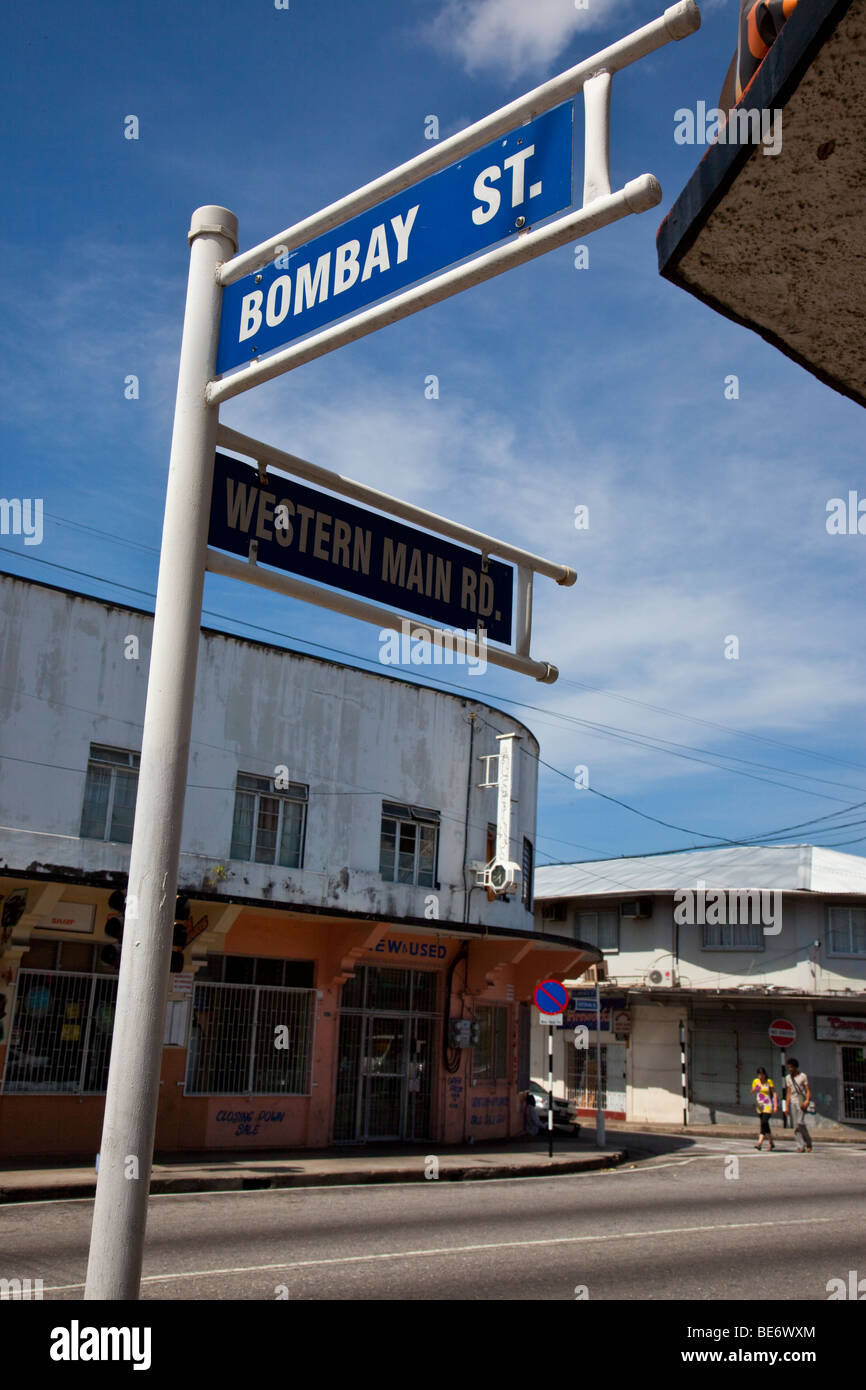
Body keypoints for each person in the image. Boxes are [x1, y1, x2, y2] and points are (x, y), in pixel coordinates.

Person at [785, 1058, 813, 1152]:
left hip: (801, 1101)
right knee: (796, 1125)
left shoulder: (803, 1076)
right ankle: (800, 1146)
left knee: (800, 1122)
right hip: (793, 1101)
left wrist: (807, 1101)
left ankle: (808, 1141)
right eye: (789, 1067)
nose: (790, 1069)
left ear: (795, 1067)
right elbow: (788, 1092)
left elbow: (808, 1090)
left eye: (791, 1067)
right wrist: (786, 1106)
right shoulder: (788, 1078)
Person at [751, 1066, 777, 1150]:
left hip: (767, 1104)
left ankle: (759, 1143)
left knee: (764, 1122)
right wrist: (755, 1088)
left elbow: (774, 1093)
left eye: (761, 1074)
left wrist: (775, 1105)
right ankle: (771, 1142)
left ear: (765, 1074)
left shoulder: (769, 1082)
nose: (760, 1076)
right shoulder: (756, 1081)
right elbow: (752, 1091)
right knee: (765, 1124)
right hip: (759, 1105)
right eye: (759, 1074)